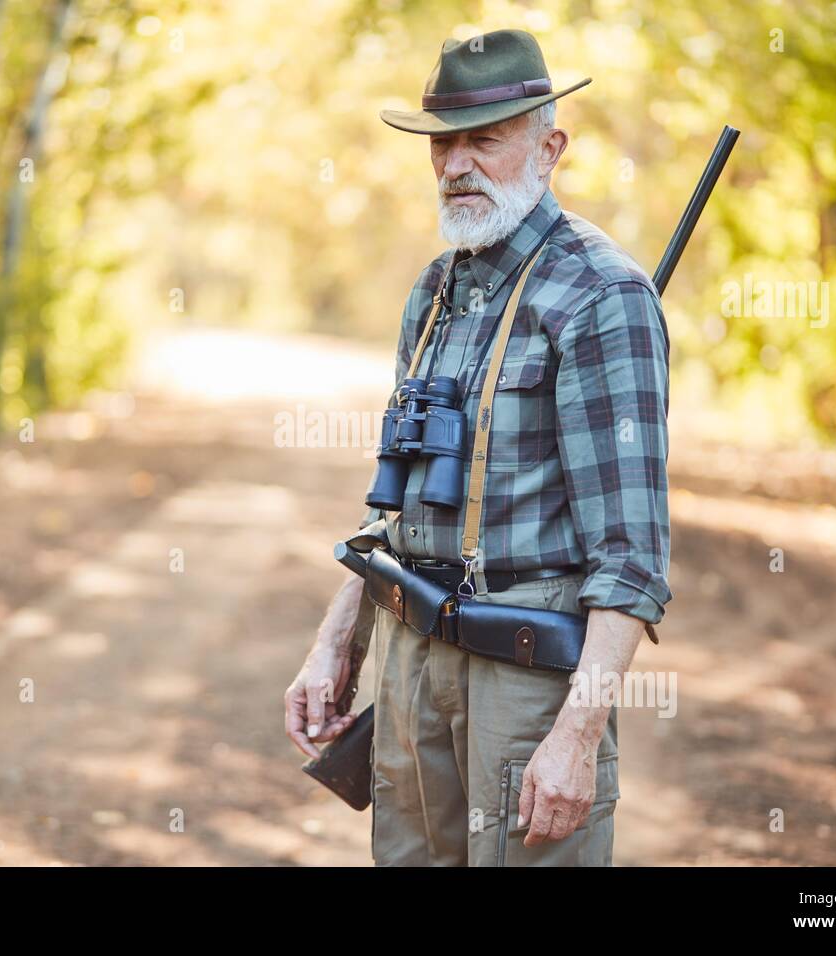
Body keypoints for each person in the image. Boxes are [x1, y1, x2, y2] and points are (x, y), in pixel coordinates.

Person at [285, 28, 671, 866]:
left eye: (485, 139)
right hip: (408, 665)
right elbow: (393, 504)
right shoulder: (434, 289)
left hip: (526, 686)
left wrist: (577, 734)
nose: (457, 163)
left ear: (549, 146)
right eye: (443, 141)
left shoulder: (603, 296)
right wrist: (334, 645)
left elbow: (633, 561)